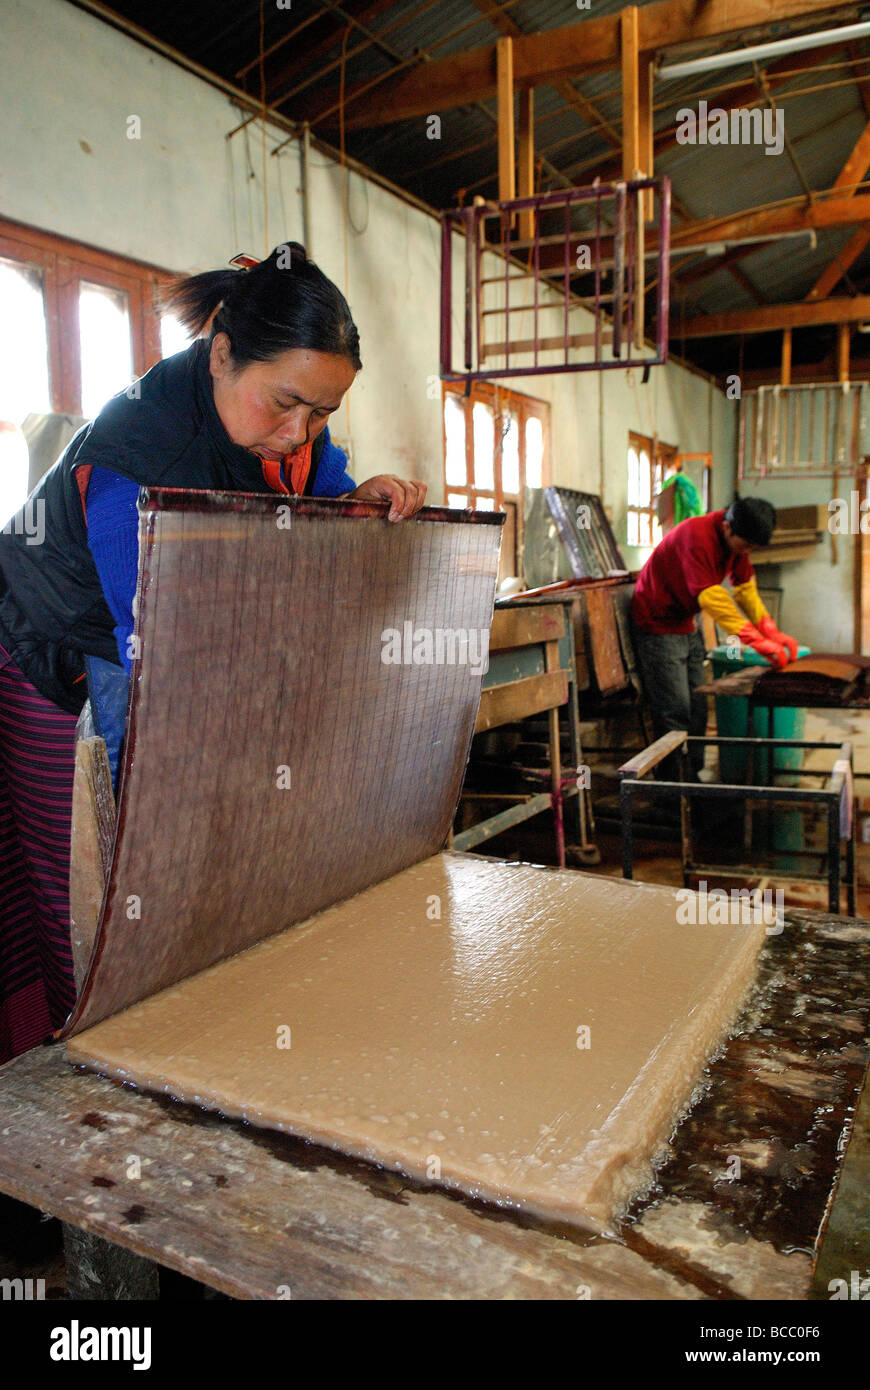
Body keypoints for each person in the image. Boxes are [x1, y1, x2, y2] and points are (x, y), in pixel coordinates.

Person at [0, 242, 426, 1063]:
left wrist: (356, 495)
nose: (300, 430)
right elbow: (163, 667)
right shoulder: (139, 462)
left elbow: (316, 485)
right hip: (46, 645)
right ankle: (91, 1046)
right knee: (96, 861)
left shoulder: (280, 416)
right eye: (288, 405)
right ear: (223, 354)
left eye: (324, 412)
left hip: (157, 631)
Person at [630, 496, 799, 779]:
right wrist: (756, 642)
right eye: (745, 545)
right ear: (727, 527)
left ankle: (693, 775)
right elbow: (713, 599)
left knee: (698, 706)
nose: (747, 552)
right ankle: (671, 787)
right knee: (675, 711)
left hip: (686, 622)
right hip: (657, 624)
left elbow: (744, 590)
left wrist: (771, 630)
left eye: (752, 548)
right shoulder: (696, 537)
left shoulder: (737, 542)